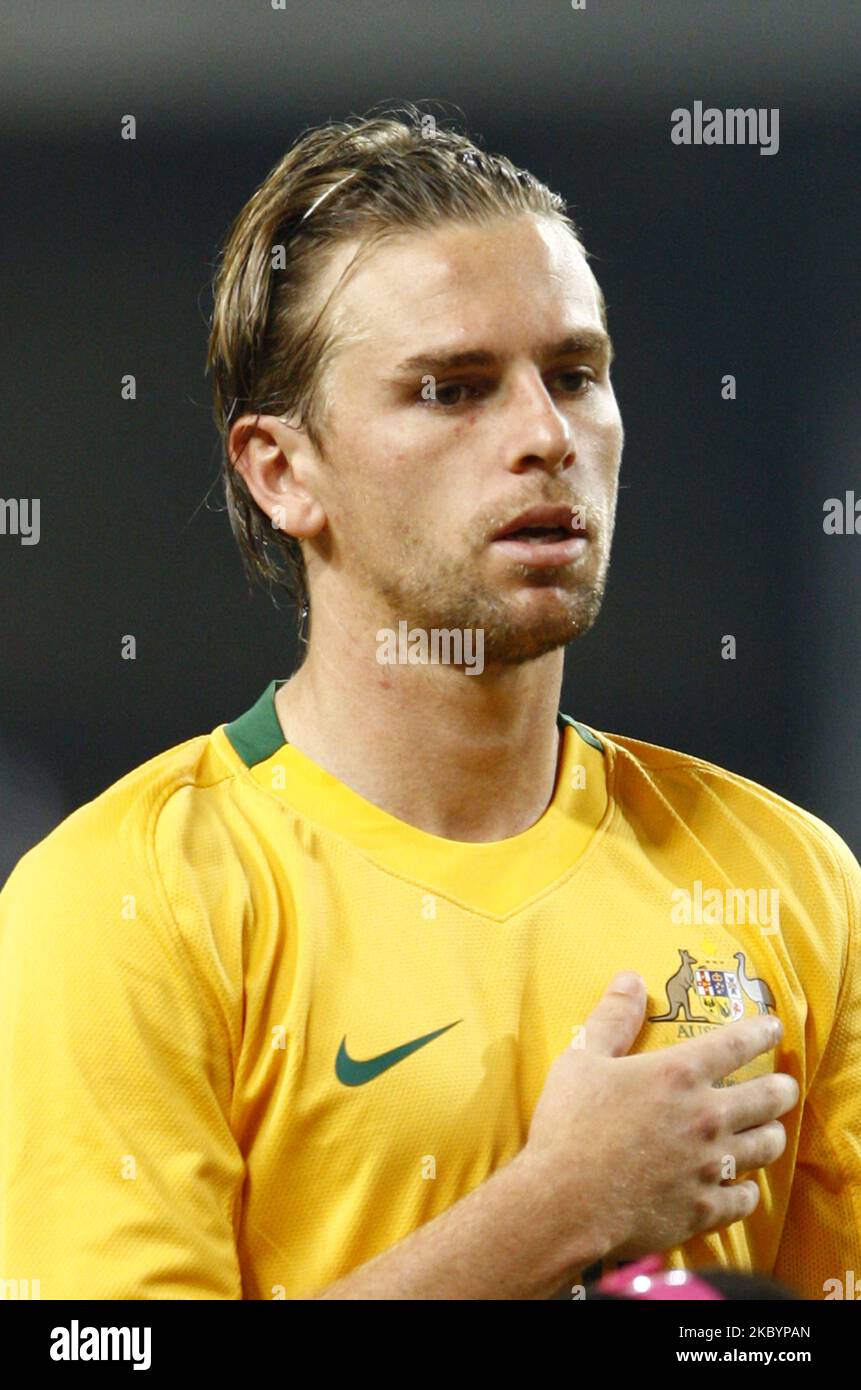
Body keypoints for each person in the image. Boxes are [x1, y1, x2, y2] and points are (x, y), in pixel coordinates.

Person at [1, 106, 857, 1301]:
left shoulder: (794, 880)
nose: (547, 437)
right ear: (282, 470)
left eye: (575, 374)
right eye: (454, 391)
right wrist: (555, 1212)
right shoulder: (119, 904)